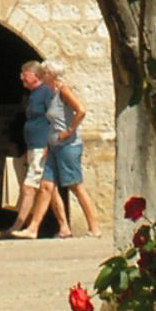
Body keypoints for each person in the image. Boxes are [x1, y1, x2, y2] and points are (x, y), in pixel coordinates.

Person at [5, 60, 63, 238]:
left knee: (29, 187)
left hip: (41, 147)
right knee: (50, 190)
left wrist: (47, 144)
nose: (22, 77)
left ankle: (18, 226)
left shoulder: (45, 93)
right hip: (34, 147)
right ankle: (65, 227)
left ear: (35, 75)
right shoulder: (33, 94)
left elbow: (52, 119)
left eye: (25, 74)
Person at [48, 90, 100, 237]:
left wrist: (69, 131)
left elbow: (81, 110)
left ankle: (94, 227)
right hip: (54, 146)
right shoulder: (51, 94)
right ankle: (64, 227)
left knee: (75, 186)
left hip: (68, 146)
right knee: (49, 185)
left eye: (44, 74)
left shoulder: (63, 91)